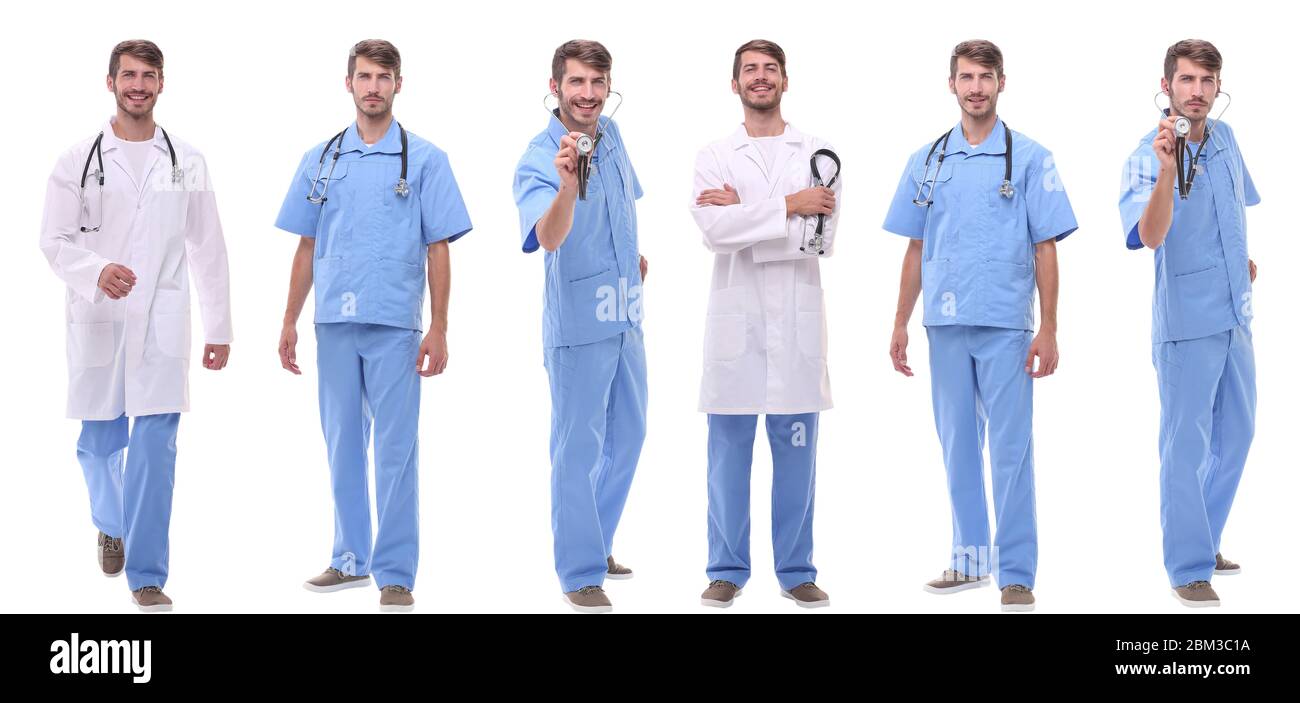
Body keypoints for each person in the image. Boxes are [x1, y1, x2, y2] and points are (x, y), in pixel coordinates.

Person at [275, 39, 472, 613]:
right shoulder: (322, 158)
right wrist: (288, 318)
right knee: (341, 444)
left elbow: (439, 247)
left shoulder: (426, 159)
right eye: (364, 76)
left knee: (394, 451)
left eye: (383, 77)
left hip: (394, 324)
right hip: (334, 319)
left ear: (398, 84)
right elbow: (306, 245)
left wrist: (439, 327)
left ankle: (395, 573)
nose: (373, 87)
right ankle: (348, 559)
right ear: (349, 84)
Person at [883, 39, 1077, 612]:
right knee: (958, 447)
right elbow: (916, 247)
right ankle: (969, 563)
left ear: (1001, 82)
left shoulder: (1032, 158)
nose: (975, 87)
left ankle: (1015, 573)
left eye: (985, 77)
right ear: (952, 84)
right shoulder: (928, 159)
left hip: (1005, 326)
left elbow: (1047, 247)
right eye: (965, 77)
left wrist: (1050, 327)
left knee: (1011, 450)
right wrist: (898, 322)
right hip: (943, 323)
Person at [39, 39, 233, 612]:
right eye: (129, 75)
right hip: (98, 316)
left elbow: (208, 246)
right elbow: (52, 240)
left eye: (149, 75)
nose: (138, 85)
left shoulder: (187, 160)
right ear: (111, 83)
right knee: (99, 448)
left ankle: (147, 576)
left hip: (163, 323)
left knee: (155, 453)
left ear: (161, 84)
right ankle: (112, 522)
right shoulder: (77, 159)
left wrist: (218, 327)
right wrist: (96, 272)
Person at [689, 39, 841, 609]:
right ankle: (726, 569)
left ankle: (796, 570)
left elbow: (818, 242)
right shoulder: (713, 154)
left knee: (797, 456)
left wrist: (744, 211)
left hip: (797, 327)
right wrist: (788, 204)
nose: (760, 77)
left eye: (769, 69)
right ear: (735, 84)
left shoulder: (819, 150)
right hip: (736, 329)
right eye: (749, 70)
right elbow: (713, 234)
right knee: (727, 458)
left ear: (785, 79)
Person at [1118, 39, 1258, 608]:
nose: (1197, 91)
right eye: (1186, 80)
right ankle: (1187, 565)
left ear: (1217, 87)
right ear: (1167, 84)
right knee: (1184, 446)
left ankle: (1207, 537)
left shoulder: (1226, 140)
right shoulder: (1146, 155)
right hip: (1186, 324)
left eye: (1207, 80)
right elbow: (1149, 237)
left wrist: (1240, 259)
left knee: (1238, 434)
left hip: (1235, 314)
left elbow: (1231, 211)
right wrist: (1165, 172)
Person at [513, 39, 649, 613]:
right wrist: (566, 186)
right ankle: (579, 571)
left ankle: (597, 541)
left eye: (598, 83)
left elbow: (625, 204)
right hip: (577, 325)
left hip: (625, 313)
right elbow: (547, 237)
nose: (588, 94)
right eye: (577, 83)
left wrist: (633, 256)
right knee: (576, 449)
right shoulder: (538, 157)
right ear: (555, 88)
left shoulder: (612, 138)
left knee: (629, 436)